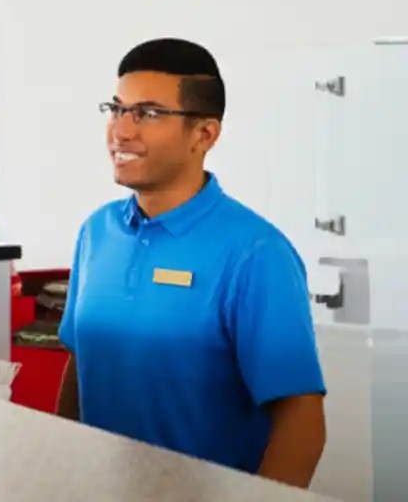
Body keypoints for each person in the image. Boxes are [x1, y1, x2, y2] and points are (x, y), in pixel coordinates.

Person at [56, 38, 326, 488]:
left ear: (205, 134)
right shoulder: (96, 232)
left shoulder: (256, 253)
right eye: (117, 109)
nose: (121, 131)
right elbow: (81, 364)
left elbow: (301, 421)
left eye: (147, 113)